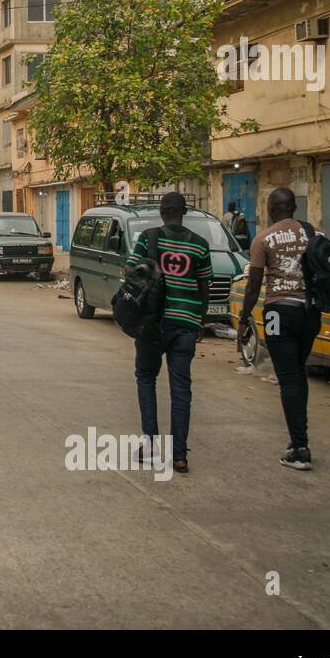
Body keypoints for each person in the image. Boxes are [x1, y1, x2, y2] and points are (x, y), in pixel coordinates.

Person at [126, 192, 212, 474]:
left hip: (153, 324)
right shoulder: (200, 246)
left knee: (147, 378)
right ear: (184, 211)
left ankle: (150, 445)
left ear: (162, 211)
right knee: (181, 388)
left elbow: (131, 273)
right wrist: (199, 321)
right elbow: (204, 289)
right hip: (186, 324)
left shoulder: (150, 238)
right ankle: (179, 457)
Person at [238, 187, 321, 471]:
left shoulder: (263, 239)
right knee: (298, 372)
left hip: (278, 312)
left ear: (272, 208)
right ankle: (299, 440)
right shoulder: (314, 234)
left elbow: (253, 287)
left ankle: (299, 447)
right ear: (294, 208)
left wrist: (243, 318)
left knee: (288, 378)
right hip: (310, 313)